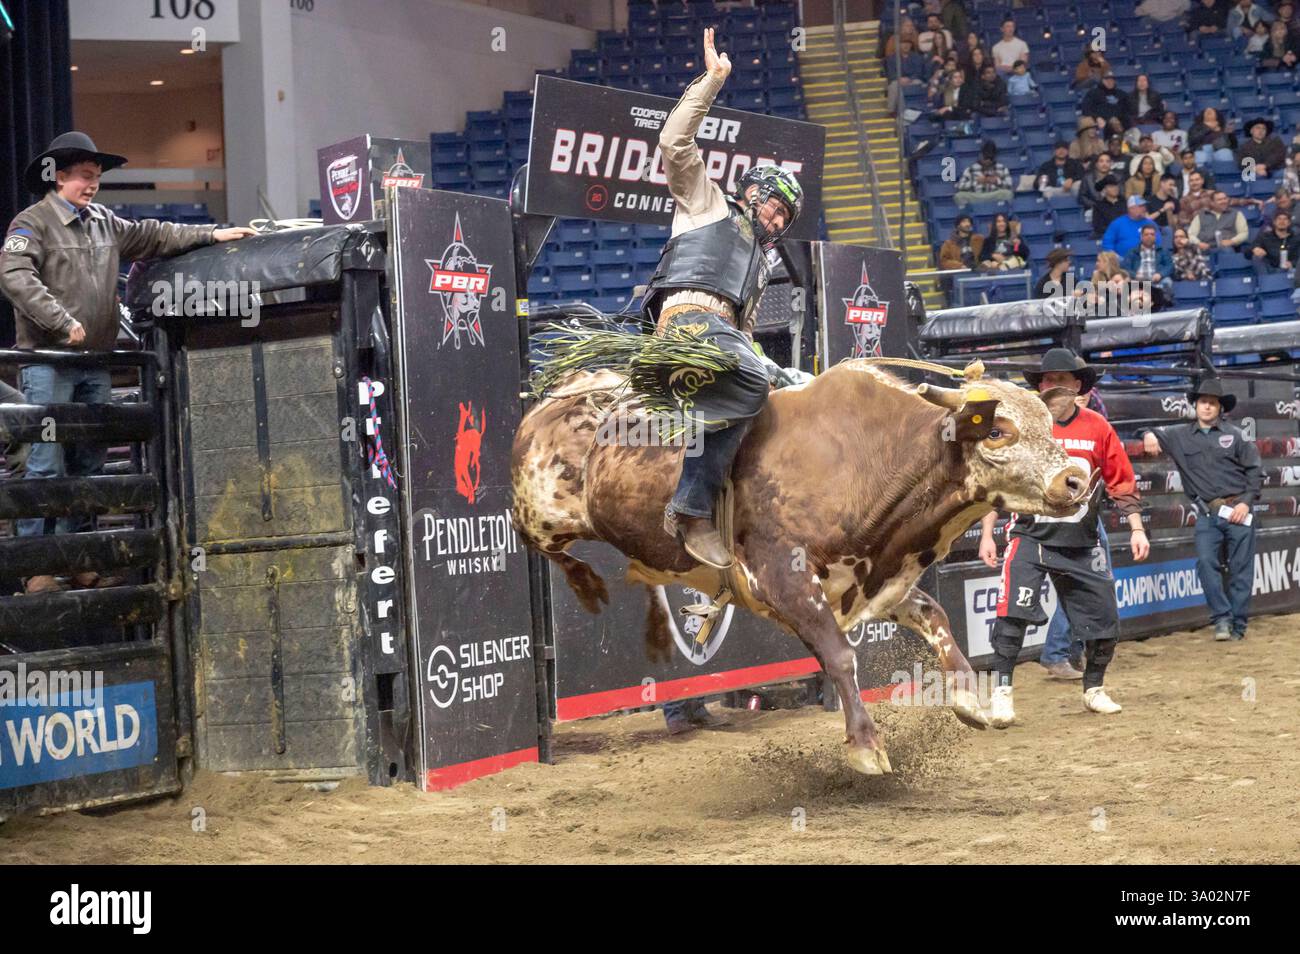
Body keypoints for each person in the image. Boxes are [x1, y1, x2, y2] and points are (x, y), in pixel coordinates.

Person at [0, 132, 255, 594]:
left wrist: (213, 233)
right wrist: (59, 321)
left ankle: (73, 557)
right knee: (45, 464)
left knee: (87, 465)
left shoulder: (104, 223)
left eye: (96, 177)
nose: (92, 184)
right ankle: (35, 565)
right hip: (49, 361)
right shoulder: (31, 223)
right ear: (59, 178)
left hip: (93, 361)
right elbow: (14, 274)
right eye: (84, 176)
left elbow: (157, 234)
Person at [643, 29, 803, 569]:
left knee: (765, 391)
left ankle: (733, 512)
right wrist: (712, 82)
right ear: (751, 191)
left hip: (724, 343)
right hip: (686, 325)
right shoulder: (705, 201)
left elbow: (746, 337)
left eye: (785, 217)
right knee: (756, 377)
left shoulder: (761, 267)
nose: (776, 218)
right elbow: (673, 144)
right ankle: (691, 509)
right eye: (774, 205)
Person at [978, 349, 1149, 724]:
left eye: (1062, 380)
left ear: (1077, 386)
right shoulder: (1020, 427)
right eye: (1047, 380)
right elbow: (998, 480)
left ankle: (1094, 689)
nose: (1053, 386)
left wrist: (1136, 527)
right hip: (1031, 535)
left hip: (1083, 541)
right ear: (1039, 387)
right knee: (1012, 616)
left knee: (1104, 623)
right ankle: (1002, 693)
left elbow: (1121, 478)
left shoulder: (1098, 427)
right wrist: (988, 532)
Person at [1142, 377, 1261, 640]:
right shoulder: (1178, 436)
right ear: (1196, 405)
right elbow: (1147, 429)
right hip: (1208, 513)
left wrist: (1245, 501)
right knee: (1206, 564)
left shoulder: (1236, 436)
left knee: (1242, 569)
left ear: (1220, 408)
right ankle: (1221, 618)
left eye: (1213, 403)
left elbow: (1255, 472)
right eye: (1203, 402)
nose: (1207, 407)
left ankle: (1237, 626)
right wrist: (1148, 434)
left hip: (1239, 509)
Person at [1123, 223, 1175, 307]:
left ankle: (1165, 303)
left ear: (1155, 237)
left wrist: (1160, 274)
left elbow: (1170, 266)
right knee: (1125, 282)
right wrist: (1135, 275)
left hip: (1156, 278)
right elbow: (1125, 268)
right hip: (1137, 279)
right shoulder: (1132, 252)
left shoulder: (1163, 251)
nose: (1149, 236)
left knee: (1167, 281)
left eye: (1152, 234)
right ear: (1141, 236)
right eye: (1146, 234)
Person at [953, 140, 1012, 207]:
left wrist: (997, 181)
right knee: (959, 196)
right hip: (976, 196)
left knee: (1008, 194)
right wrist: (977, 182)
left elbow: (1009, 186)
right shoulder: (971, 169)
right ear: (981, 155)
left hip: (993, 196)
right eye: (986, 157)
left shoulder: (1002, 168)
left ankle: (1000, 209)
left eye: (990, 158)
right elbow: (960, 186)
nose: (988, 160)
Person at [886, 37, 931, 114]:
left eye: (908, 44)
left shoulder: (917, 57)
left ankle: (916, 109)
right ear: (898, 45)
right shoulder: (892, 58)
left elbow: (919, 72)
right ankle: (892, 111)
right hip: (898, 80)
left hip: (914, 79)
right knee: (893, 85)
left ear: (911, 45)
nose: (905, 46)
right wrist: (899, 79)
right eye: (903, 43)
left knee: (918, 83)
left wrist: (909, 78)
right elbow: (891, 73)